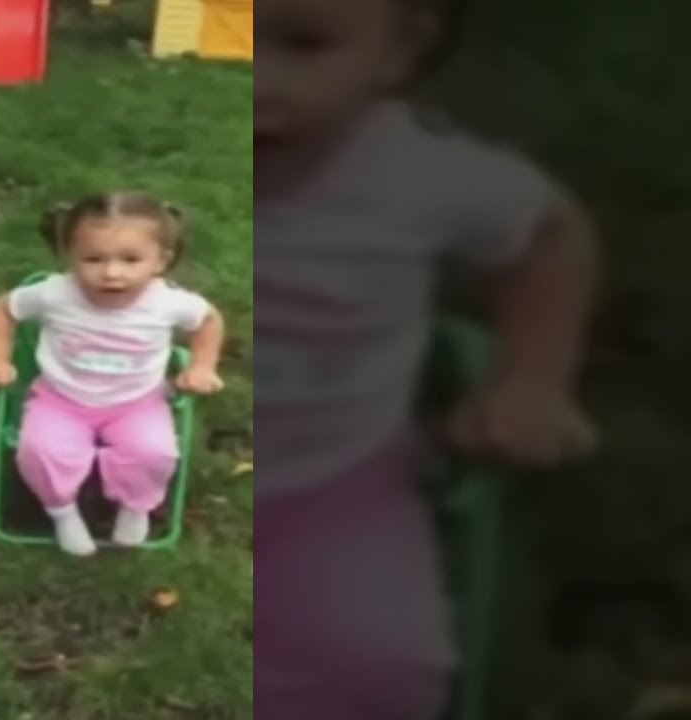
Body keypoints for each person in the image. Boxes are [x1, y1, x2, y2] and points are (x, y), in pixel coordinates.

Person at [254, 0, 598, 717]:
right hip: (117, 472)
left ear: (398, 54)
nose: (250, 77)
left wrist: (532, 380)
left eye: (304, 43)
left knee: (373, 666)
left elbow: (549, 235)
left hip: (324, 490)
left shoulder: (414, 175)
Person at [0, 191, 226, 557]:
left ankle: (135, 504)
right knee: (41, 451)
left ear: (161, 261)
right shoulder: (54, 294)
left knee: (153, 453)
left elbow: (208, 321)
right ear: (70, 257)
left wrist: (202, 365)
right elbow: (3, 309)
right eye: (92, 259)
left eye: (130, 259)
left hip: (137, 402)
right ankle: (61, 510)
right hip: (61, 399)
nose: (111, 273)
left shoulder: (169, 302)